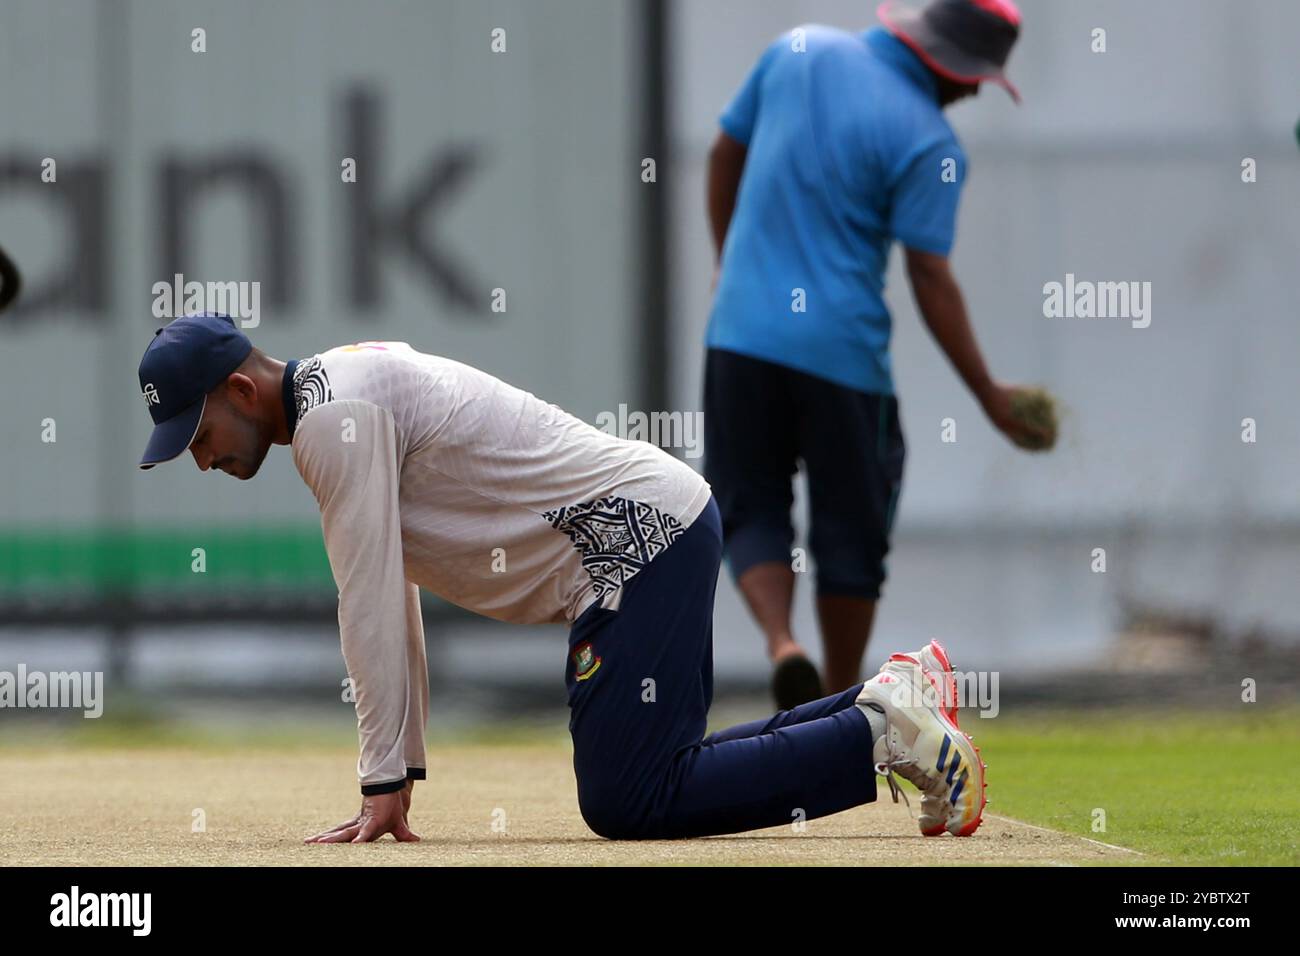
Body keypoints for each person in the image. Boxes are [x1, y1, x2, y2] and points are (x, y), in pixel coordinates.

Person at [135, 313, 986, 841]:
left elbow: (362, 602)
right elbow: (388, 593)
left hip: (636, 539)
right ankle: (882, 701)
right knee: (660, 770)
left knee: (631, 800)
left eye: (195, 434)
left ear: (243, 391)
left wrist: (382, 780)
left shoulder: (333, 422)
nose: (198, 458)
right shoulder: (336, 394)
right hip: (653, 529)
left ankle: (881, 734)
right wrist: (399, 770)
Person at [703, 0, 1046, 710]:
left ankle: (780, 643)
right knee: (851, 530)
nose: (975, 89)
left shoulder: (798, 49)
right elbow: (929, 276)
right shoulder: (932, 144)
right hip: (842, 358)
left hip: (740, 337)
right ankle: (831, 700)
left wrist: (726, 265)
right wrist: (989, 394)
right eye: (973, 74)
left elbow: (723, 153)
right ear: (943, 60)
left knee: (749, 498)